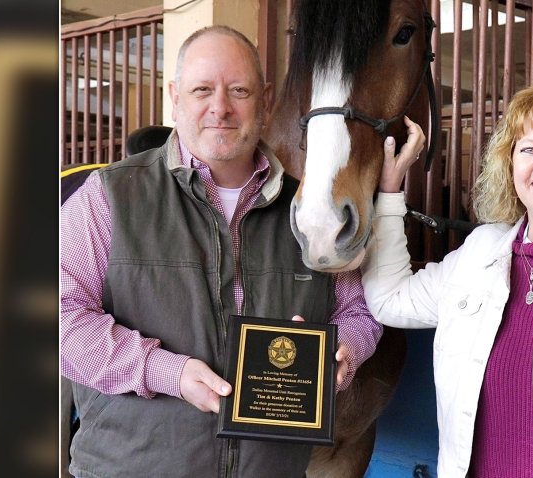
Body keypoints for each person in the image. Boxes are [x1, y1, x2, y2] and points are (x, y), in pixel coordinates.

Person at [59, 26, 383, 477]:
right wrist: (165, 371)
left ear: (265, 100)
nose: (221, 108)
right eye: (202, 90)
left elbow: (358, 311)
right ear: (175, 96)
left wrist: (344, 351)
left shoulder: (308, 214)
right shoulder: (109, 196)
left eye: (239, 90)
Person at [363, 84, 533, 477]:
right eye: (528, 149)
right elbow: (389, 298)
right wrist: (389, 193)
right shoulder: (480, 251)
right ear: (510, 166)